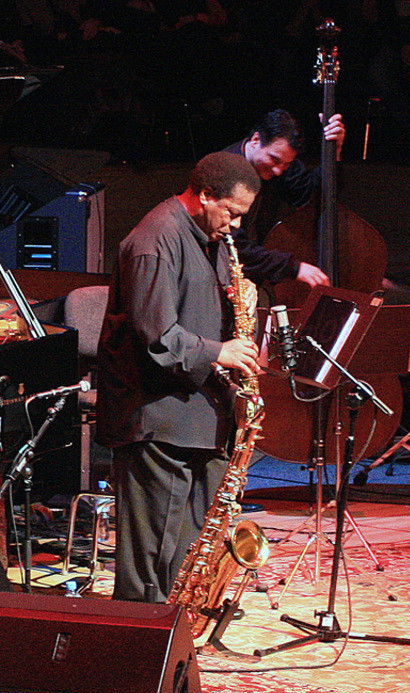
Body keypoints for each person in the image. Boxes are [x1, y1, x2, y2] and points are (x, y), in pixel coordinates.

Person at [96, 151, 262, 603]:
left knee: (193, 539)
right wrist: (220, 352)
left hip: (199, 413)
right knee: (151, 549)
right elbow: (159, 340)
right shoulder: (154, 241)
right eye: (231, 213)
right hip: (158, 417)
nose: (236, 226)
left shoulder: (211, 240)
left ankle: (178, 622)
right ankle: (140, 635)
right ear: (205, 195)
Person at [222, 108, 343, 288]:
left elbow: (312, 195)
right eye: (274, 160)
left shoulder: (282, 163)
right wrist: (293, 267)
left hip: (257, 270)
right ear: (256, 140)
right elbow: (232, 244)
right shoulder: (225, 172)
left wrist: (334, 149)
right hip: (224, 272)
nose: (279, 170)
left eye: (286, 164)